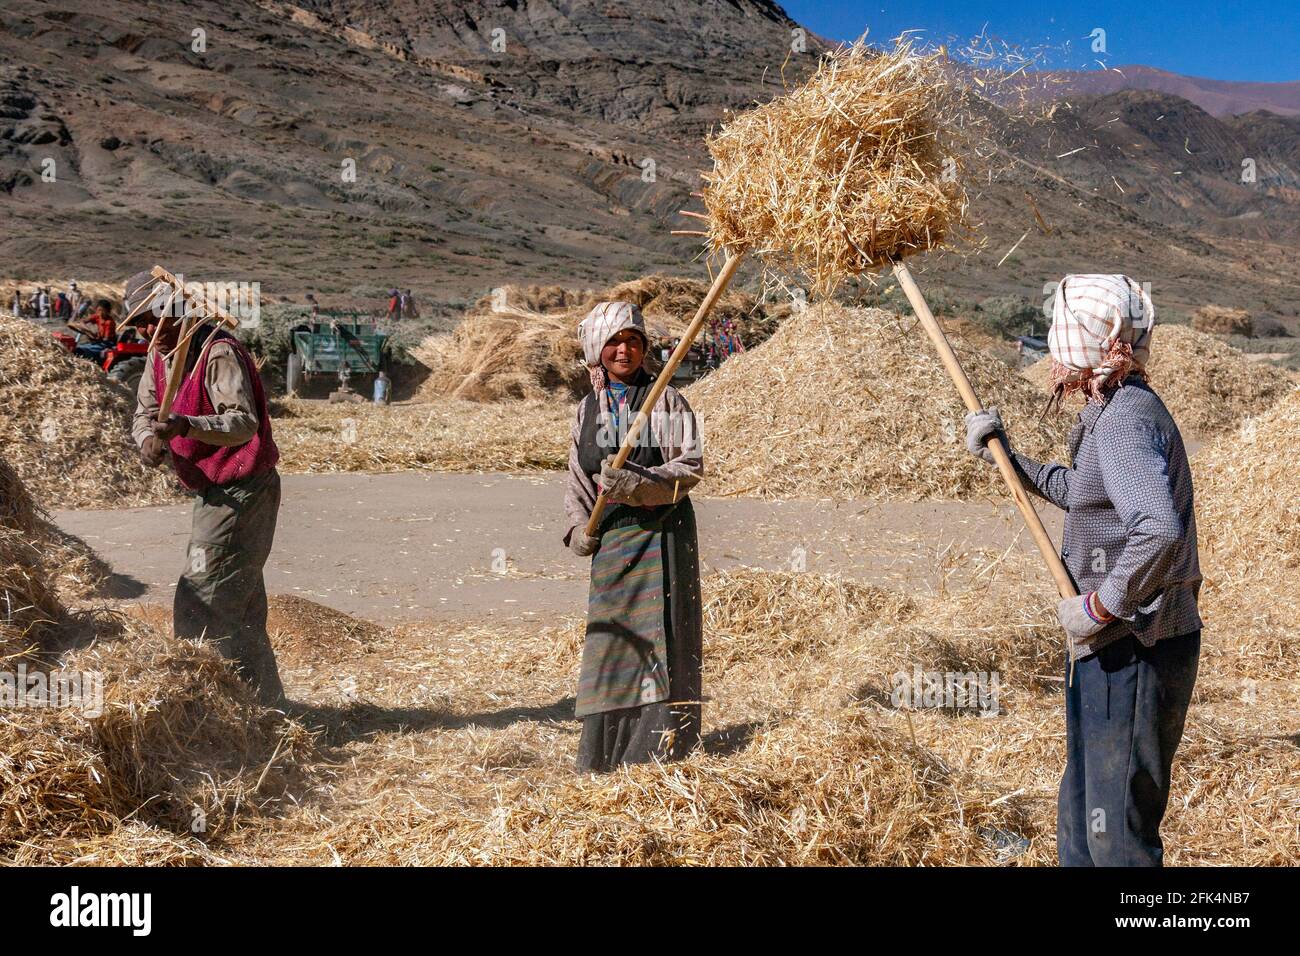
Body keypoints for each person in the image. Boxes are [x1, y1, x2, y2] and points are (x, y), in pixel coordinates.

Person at [965, 274, 1201, 867]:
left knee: (1115, 832)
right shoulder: (1110, 407)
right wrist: (1009, 459)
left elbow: (1157, 528)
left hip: (1136, 646)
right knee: (1082, 811)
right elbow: (1086, 492)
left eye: (1062, 341)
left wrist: (1101, 605)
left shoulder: (1125, 420)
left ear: (1094, 345)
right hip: (1109, 646)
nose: (1054, 357)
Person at [126, 269, 286, 707]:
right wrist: (147, 441)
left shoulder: (216, 352)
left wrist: (187, 425)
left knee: (201, 600)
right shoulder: (158, 357)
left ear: (176, 313)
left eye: (152, 320)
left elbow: (243, 422)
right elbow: (143, 410)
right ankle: (264, 706)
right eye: (138, 323)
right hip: (210, 491)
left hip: (242, 489)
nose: (146, 331)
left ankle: (205, 710)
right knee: (240, 600)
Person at [563, 301, 705, 773]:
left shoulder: (664, 400)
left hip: (662, 535)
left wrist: (641, 484)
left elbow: (691, 467)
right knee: (614, 641)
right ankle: (603, 757)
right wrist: (577, 528)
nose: (624, 350)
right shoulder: (586, 410)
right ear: (596, 350)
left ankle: (657, 752)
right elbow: (577, 479)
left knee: (662, 634)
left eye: (633, 341)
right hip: (613, 543)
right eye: (614, 342)